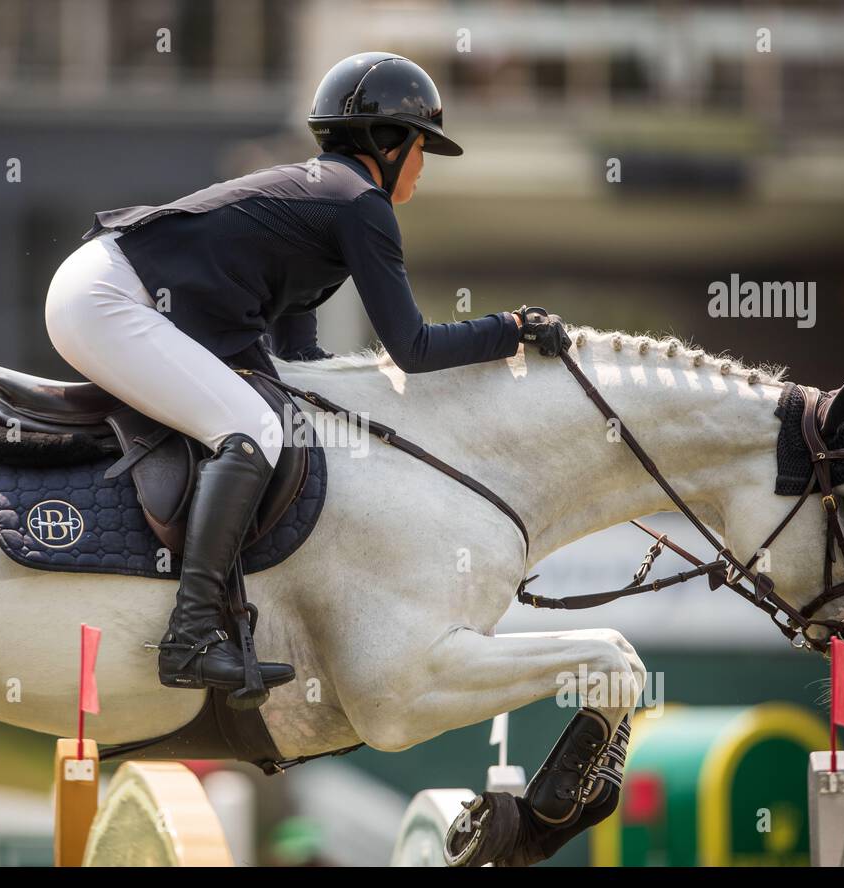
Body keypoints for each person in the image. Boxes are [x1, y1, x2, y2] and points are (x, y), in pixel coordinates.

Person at [45, 51, 571, 696]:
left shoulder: (331, 195)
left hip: (105, 288)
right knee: (252, 431)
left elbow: (299, 356)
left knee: (272, 418)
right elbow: (413, 348)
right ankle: (189, 637)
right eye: (423, 147)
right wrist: (511, 330)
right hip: (107, 299)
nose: (425, 165)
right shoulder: (360, 205)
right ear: (388, 140)